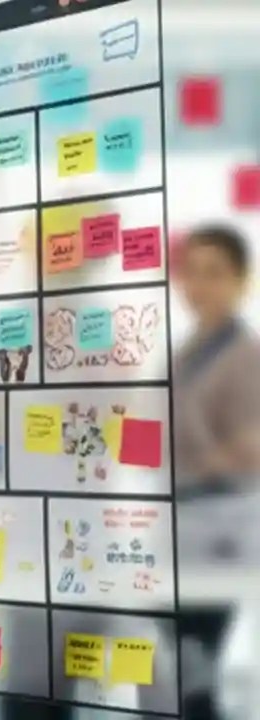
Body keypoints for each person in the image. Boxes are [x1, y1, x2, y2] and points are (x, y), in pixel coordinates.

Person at [171, 224, 260, 720]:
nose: (199, 285)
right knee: (186, 671)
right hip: (184, 521)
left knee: (199, 667)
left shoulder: (247, 356)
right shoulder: (184, 354)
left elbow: (252, 447)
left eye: (214, 273)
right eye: (191, 272)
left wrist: (197, 462)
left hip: (223, 521)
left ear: (241, 281)